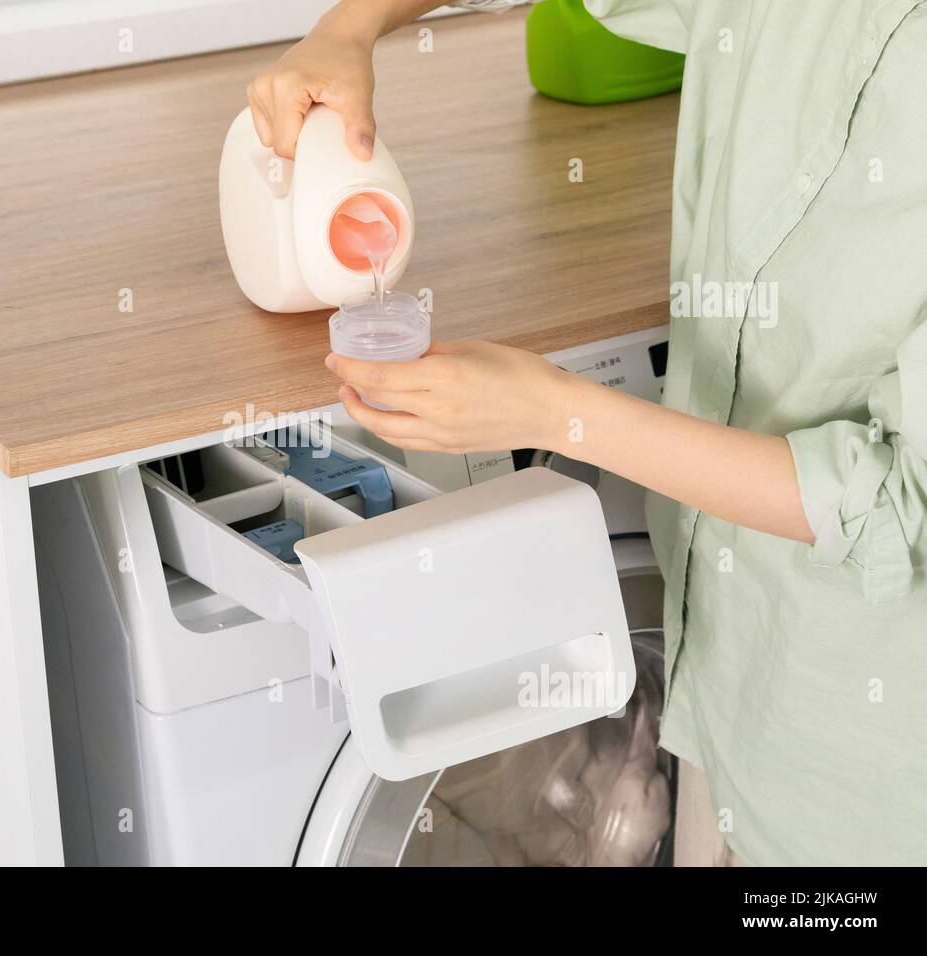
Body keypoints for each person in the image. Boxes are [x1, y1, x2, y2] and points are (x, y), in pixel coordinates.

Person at [248, 0, 927, 866]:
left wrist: (552, 412)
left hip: (871, 768)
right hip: (727, 671)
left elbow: (899, 504)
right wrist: (354, 26)